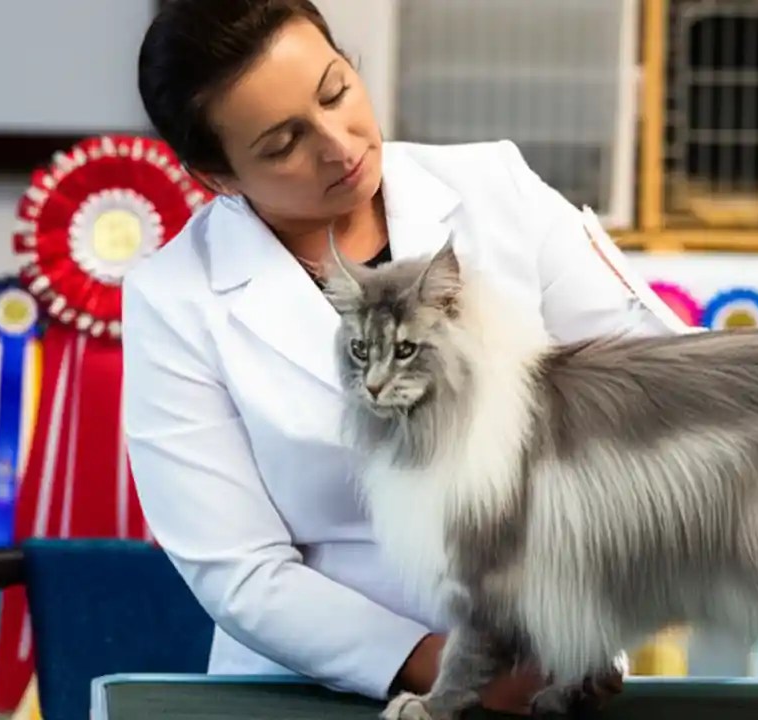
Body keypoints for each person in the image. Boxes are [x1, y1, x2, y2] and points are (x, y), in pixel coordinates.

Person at [124, 0, 673, 713]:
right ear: (217, 177)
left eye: (335, 90)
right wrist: (447, 666)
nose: (338, 144)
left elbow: (652, 391)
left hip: (553, 663)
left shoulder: (495, 188)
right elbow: (242, 571)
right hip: (315, 687)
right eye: (284, 143)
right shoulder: (175, 298)